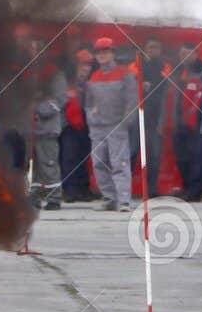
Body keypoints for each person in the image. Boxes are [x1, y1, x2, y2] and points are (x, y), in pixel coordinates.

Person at [85, 36, 136, 212]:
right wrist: (91, 120)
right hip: (98, 129)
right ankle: (109, 199)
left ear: (112, 53)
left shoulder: (125, 74)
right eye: (99, 52)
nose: (102, 55)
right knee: (99, 164)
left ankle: (124, 201)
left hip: (117, 127)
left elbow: (132, 100)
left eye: (105, 51)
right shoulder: (94, 77)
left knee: (119, 163)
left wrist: (126, 122)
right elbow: (88, 103)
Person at [27, 43, 65, 211]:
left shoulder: (54, 74)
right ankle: (33, 195)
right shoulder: (27, 73)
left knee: (49, 164)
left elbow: (59, 100)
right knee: (33, 167)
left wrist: (38, 107)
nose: (35, 53)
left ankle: (54, 198)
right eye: (33, 49)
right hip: (29, 129)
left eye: (38, 49)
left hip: (47, 129)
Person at [59, 50, 94, 202]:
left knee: (83, 158)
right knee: (69, 158)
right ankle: (69, 191)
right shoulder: (65, 83)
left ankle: (83, 190)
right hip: (68, 127)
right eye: (82, 64)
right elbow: (59, 104)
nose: (85, 68)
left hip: (86, 126)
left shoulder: (91, 84)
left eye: (88, 65)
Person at [172, 41, 202, 198]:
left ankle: (194, 191)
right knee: (181, 157)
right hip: (178, 122)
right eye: (181, 54)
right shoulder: (178, 72)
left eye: (187, 53)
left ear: (195, 54)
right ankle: (187, 188)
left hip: (196, 124)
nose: (184, 57)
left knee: (195, 158)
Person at [138, 38, 171, 197]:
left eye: (156, 47)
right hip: (137, 118)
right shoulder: (136, 67)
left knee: (155, 156)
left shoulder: (165, 68)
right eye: (150, 47)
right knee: (130, 154)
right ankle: (125, 190)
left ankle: (151, 190)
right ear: (145, 49)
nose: (153, 50)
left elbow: (167, 96)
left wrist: (162, 121)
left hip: (155, 120)